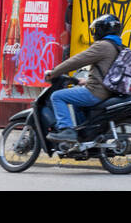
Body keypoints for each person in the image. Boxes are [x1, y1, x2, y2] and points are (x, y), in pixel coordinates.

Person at [42, 13, 123, 143]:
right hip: (107, 91)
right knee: (76, 103)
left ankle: (66, 130)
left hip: (96, 93)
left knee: (57, 96)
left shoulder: (103, 45)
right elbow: (108, 71)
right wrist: (84, 81)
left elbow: (77, 61)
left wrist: (54, 72)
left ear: (102, 29)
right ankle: (84, 138)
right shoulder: (118, 46)